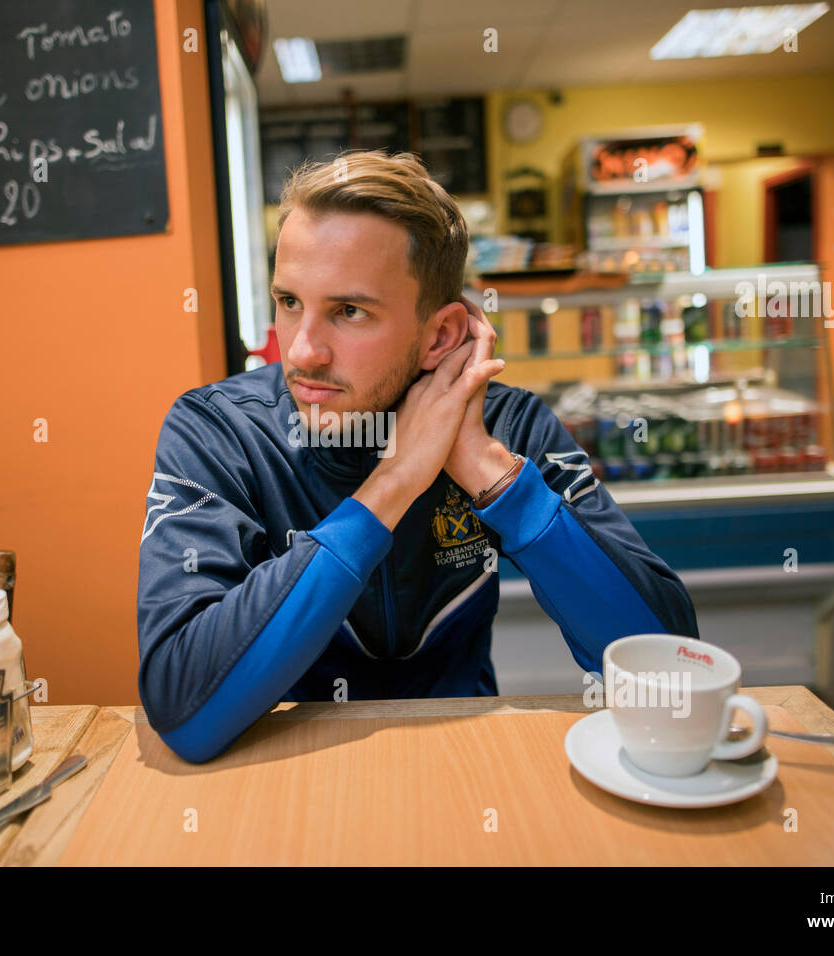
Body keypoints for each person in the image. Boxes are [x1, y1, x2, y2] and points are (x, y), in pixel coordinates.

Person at [137, 150, 699, 762]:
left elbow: (667, 674)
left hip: (465, 768)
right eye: (290, 301)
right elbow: (185, 710)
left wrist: (489, 471)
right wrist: (396, 480)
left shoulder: (508, 428)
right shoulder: (218, 431)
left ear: (441, 335)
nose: (300, 352)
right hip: (285, 772)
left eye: (349, 311)